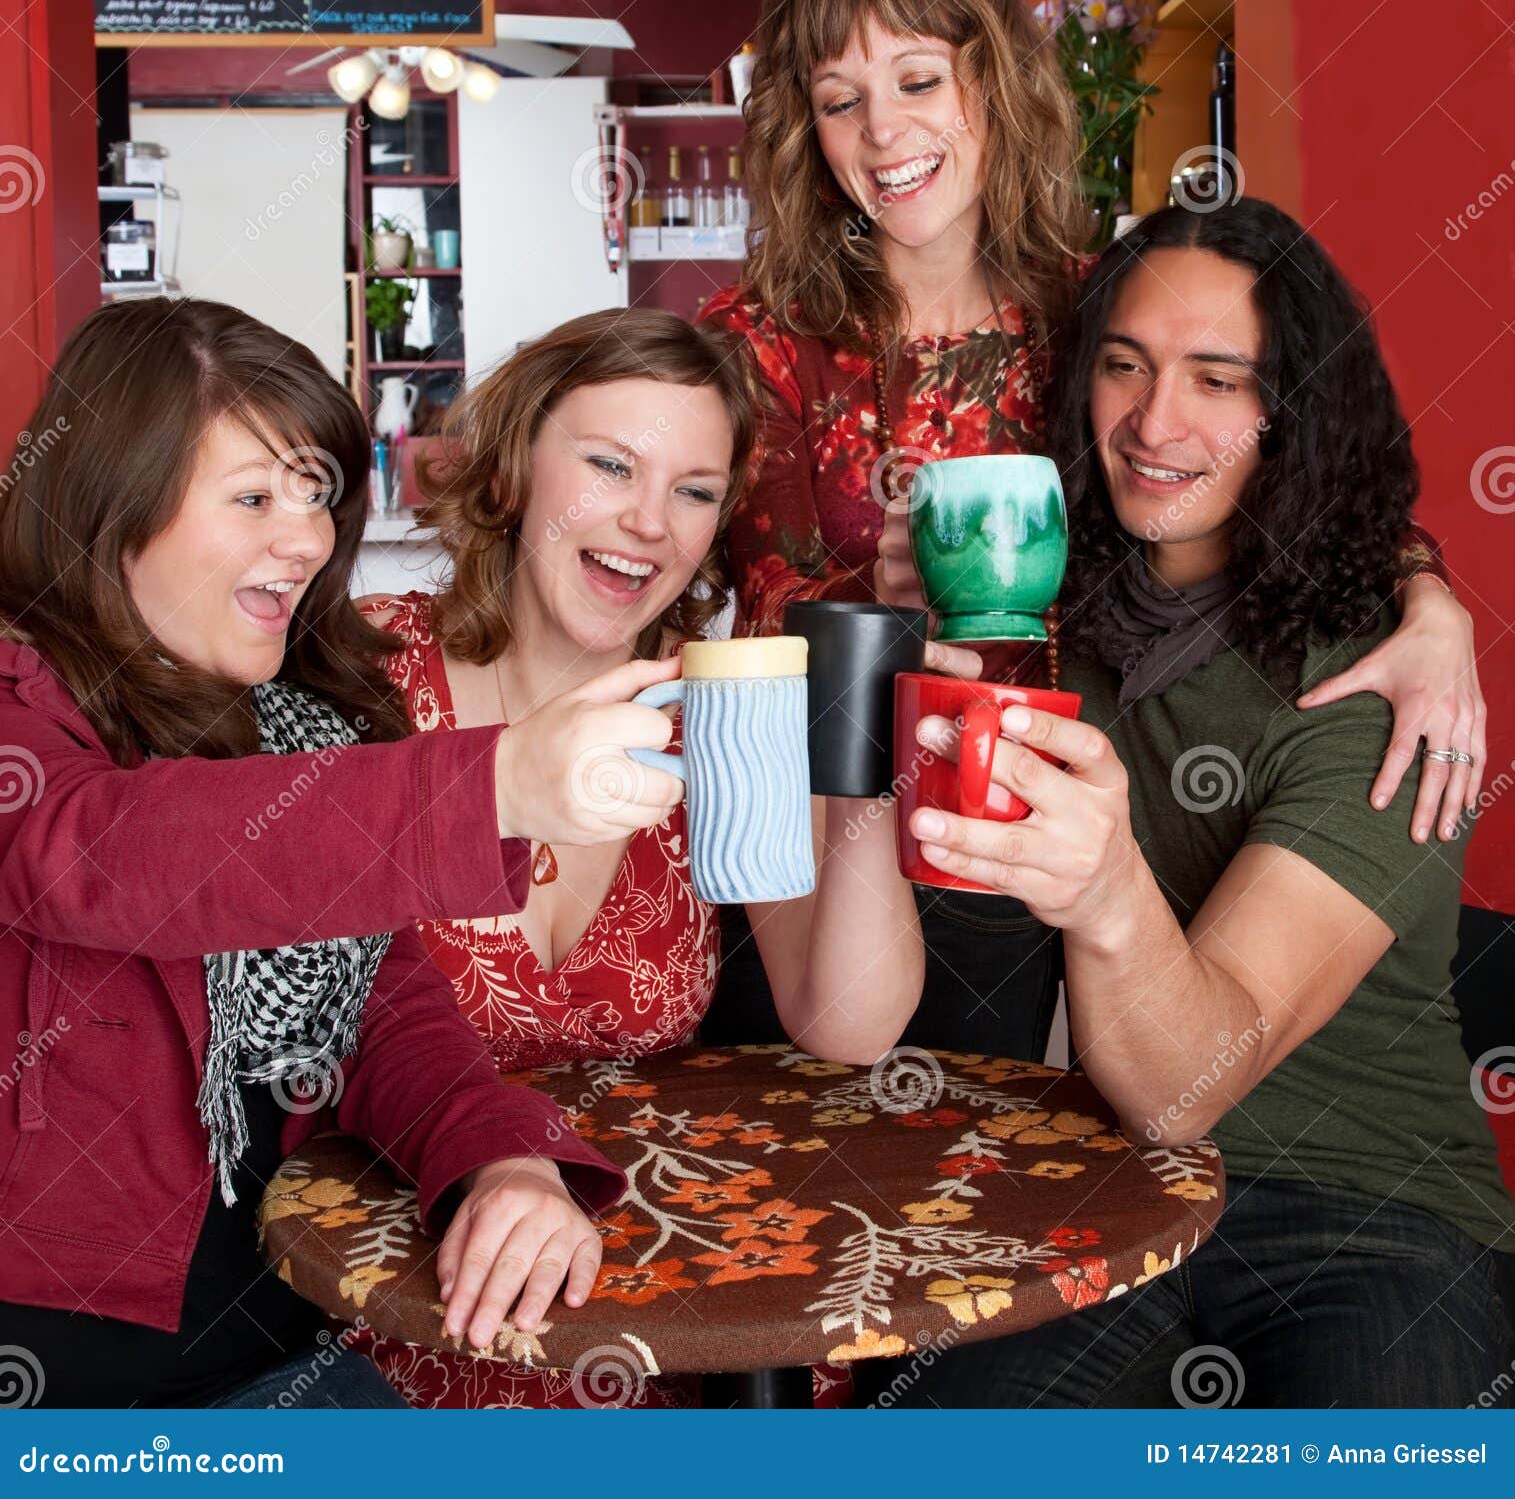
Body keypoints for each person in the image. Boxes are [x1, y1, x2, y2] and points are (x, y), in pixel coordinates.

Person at [698, 0, 1483, 1067]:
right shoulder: (754, 342)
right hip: (805, 841)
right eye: (839, 100)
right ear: (805, 129)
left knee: (975, 1207)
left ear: (994, 85)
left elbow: (1288, 466)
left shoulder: (1100, 313)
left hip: (1014, 842)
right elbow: (757, 613)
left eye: (919, 80)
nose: (883, 133)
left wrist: (1433, 603)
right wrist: (879, 598)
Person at [876, 199, 1513, 1408]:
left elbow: (1185, 1089)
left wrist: (1107, 885)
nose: (1155, 423)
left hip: (1373, 1211)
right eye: (1125, 366)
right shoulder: (1066, 632)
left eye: (1218, 381)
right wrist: (930, 623)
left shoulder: (1374, 685)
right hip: (1115, 1189)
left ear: (1292, 415)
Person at [0, 298, 669, 1408]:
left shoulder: (295, 724)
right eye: (256, 496)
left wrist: (506, 1160)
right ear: (112, 508)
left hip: (288, 1347)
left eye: (318, 492)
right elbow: (107, 857)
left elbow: (385, 1016)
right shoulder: (21, 699)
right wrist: (494, 780)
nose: (310, 538)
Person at [349, 308, 954, 1409]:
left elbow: (847, 1020)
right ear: (512, 473)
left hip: (662, 1272)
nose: (648, 523)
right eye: (610, 465)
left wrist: (864, 743)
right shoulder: (365, 676)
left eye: (694, 489)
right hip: (417, 1267)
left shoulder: (722, 707)